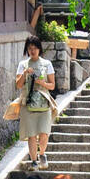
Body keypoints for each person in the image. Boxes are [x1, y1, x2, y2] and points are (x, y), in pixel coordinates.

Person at [15, 37, 55, 170]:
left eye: (35, 48)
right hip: (28, 103)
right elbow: (18, 85)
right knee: (31, 134)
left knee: (44, 133)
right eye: (30, 48)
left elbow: (52, 85)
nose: (32, 51)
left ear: (39, 49)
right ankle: (33, 161)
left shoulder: (47, 64)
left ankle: (42, 154)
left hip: (44, 102)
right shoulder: (23, 65)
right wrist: (25, 73)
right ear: (27, 49)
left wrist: (42, 83)